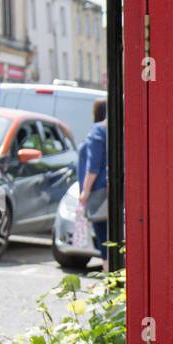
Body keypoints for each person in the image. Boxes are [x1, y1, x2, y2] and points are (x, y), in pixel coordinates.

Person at [78, 99, 108, 268]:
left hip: (99, 192)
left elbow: (93, 166)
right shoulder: (120, 130)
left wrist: (85, 191)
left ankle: (111, 283)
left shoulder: (97, 131)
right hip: (114, 191)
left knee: (104, 240)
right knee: (113, 240)